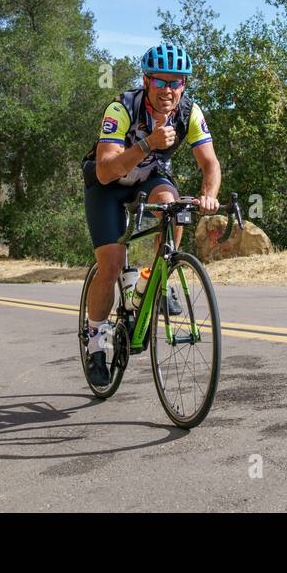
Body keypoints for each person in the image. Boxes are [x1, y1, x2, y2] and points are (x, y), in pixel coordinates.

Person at [80, 43, 220, 386]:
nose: (168, 90)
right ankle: (96, 342)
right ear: (146, 80)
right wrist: (148, 144)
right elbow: (105, 170)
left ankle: (154, 280)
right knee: (111, 265)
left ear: (184, 85)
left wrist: (209, 196)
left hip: (149, 178)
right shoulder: (121, 107)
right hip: (108, 184)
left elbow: (210, 163)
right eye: (160, 82)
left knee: (173, 206)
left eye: (176, 82)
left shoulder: (189, 112)